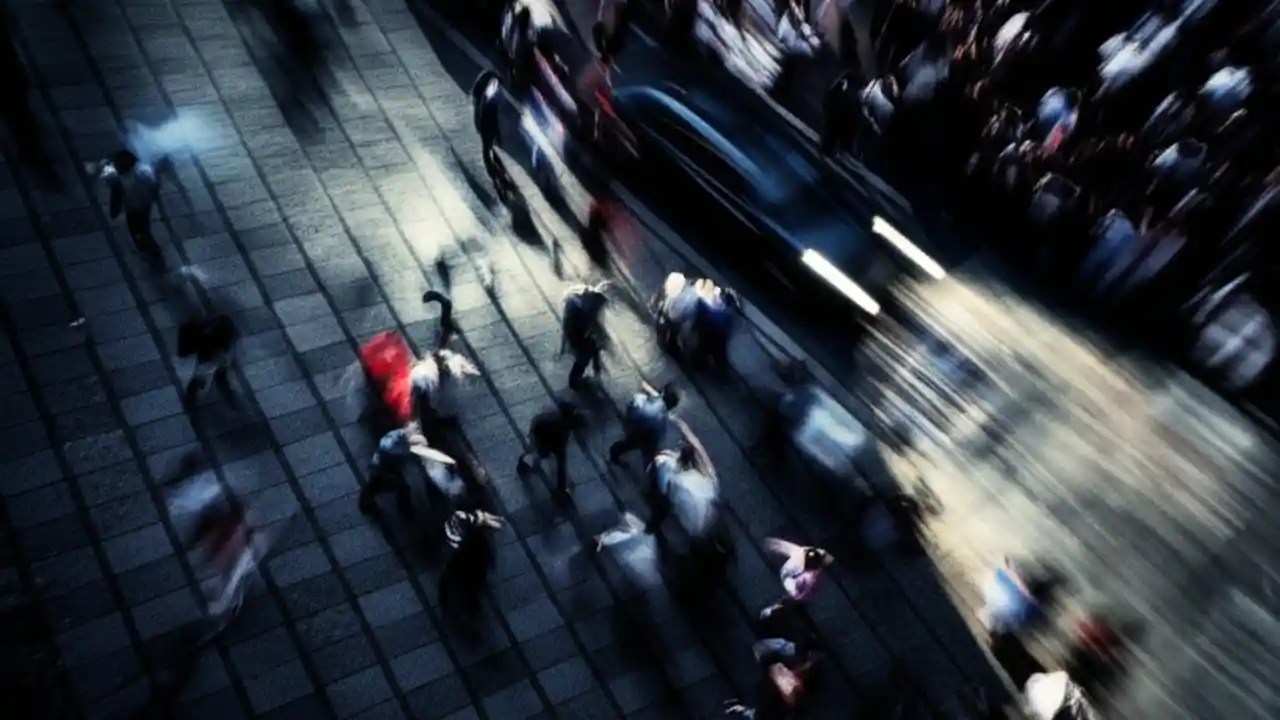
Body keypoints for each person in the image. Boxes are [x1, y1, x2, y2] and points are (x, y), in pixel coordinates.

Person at [359, 423, 453, 518]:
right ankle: (368, 505)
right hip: (381, 467)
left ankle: (403, 509)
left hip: (389, 467)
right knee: (378, 485)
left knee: (391, 486)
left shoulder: (405, 441)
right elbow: (387, 445)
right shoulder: (395, 438)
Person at [439, 508, 505, 631]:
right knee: (472, 594)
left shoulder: (465, 547)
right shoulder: (479, 542)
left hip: (468, 573)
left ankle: (469, 615)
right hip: (474, 573)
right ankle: (472, 615)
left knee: (469, 594)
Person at [91, 149, 162, 263]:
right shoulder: (144, 173)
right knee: (144, 227)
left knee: (135, 229)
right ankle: (153, 250)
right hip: (145, 205)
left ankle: (147, 250)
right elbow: (154, 186)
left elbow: (116, 200)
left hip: (133, 209)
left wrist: (114, 212)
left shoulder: (119, 182)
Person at [516, 398, 584, 496]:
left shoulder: (559, 419)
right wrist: (561, 486)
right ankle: (525, 464)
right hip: (543, 435)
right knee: (541, 454)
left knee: (540, 453)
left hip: (540, 430)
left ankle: (525, 463)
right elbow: (561, 460)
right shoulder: (561, 432)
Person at [178, 309, 239, 411]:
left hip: (211, 352)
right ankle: (192, 395)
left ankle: (192, 396)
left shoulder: (208, 330)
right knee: (204, 375)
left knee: (204, 374)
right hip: (212, 352)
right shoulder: (221, 328)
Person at [609, 382, 680, 466]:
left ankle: (615, 452)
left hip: (633, 422)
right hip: (643, 434)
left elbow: (634, 402)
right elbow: (657, 437)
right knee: (634, 447)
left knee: (628, 443)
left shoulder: (645, 399)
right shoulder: (662, 420)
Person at [471, 70, 512, 201]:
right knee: (488, 150)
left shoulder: (488, 85)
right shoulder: (491, 90)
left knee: (487, 150)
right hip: (487, 123)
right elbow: (486, 110)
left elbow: (482, 107)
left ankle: (499, 176)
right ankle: (499, 176)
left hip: (487, 123)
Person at [560, 282, 610, 390]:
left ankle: (596, 371)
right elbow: (594, 324)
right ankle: (574, 381)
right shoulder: (592, 304)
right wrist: (604, 338)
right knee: (584, 355)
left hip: (575, 325)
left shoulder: (589, 296)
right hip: (575, 329)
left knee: (592, 345)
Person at [763, 537, 833, 606]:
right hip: (790, 576)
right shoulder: (799, 558)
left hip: (797, 579)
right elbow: (781, 546)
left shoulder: (807, 553)